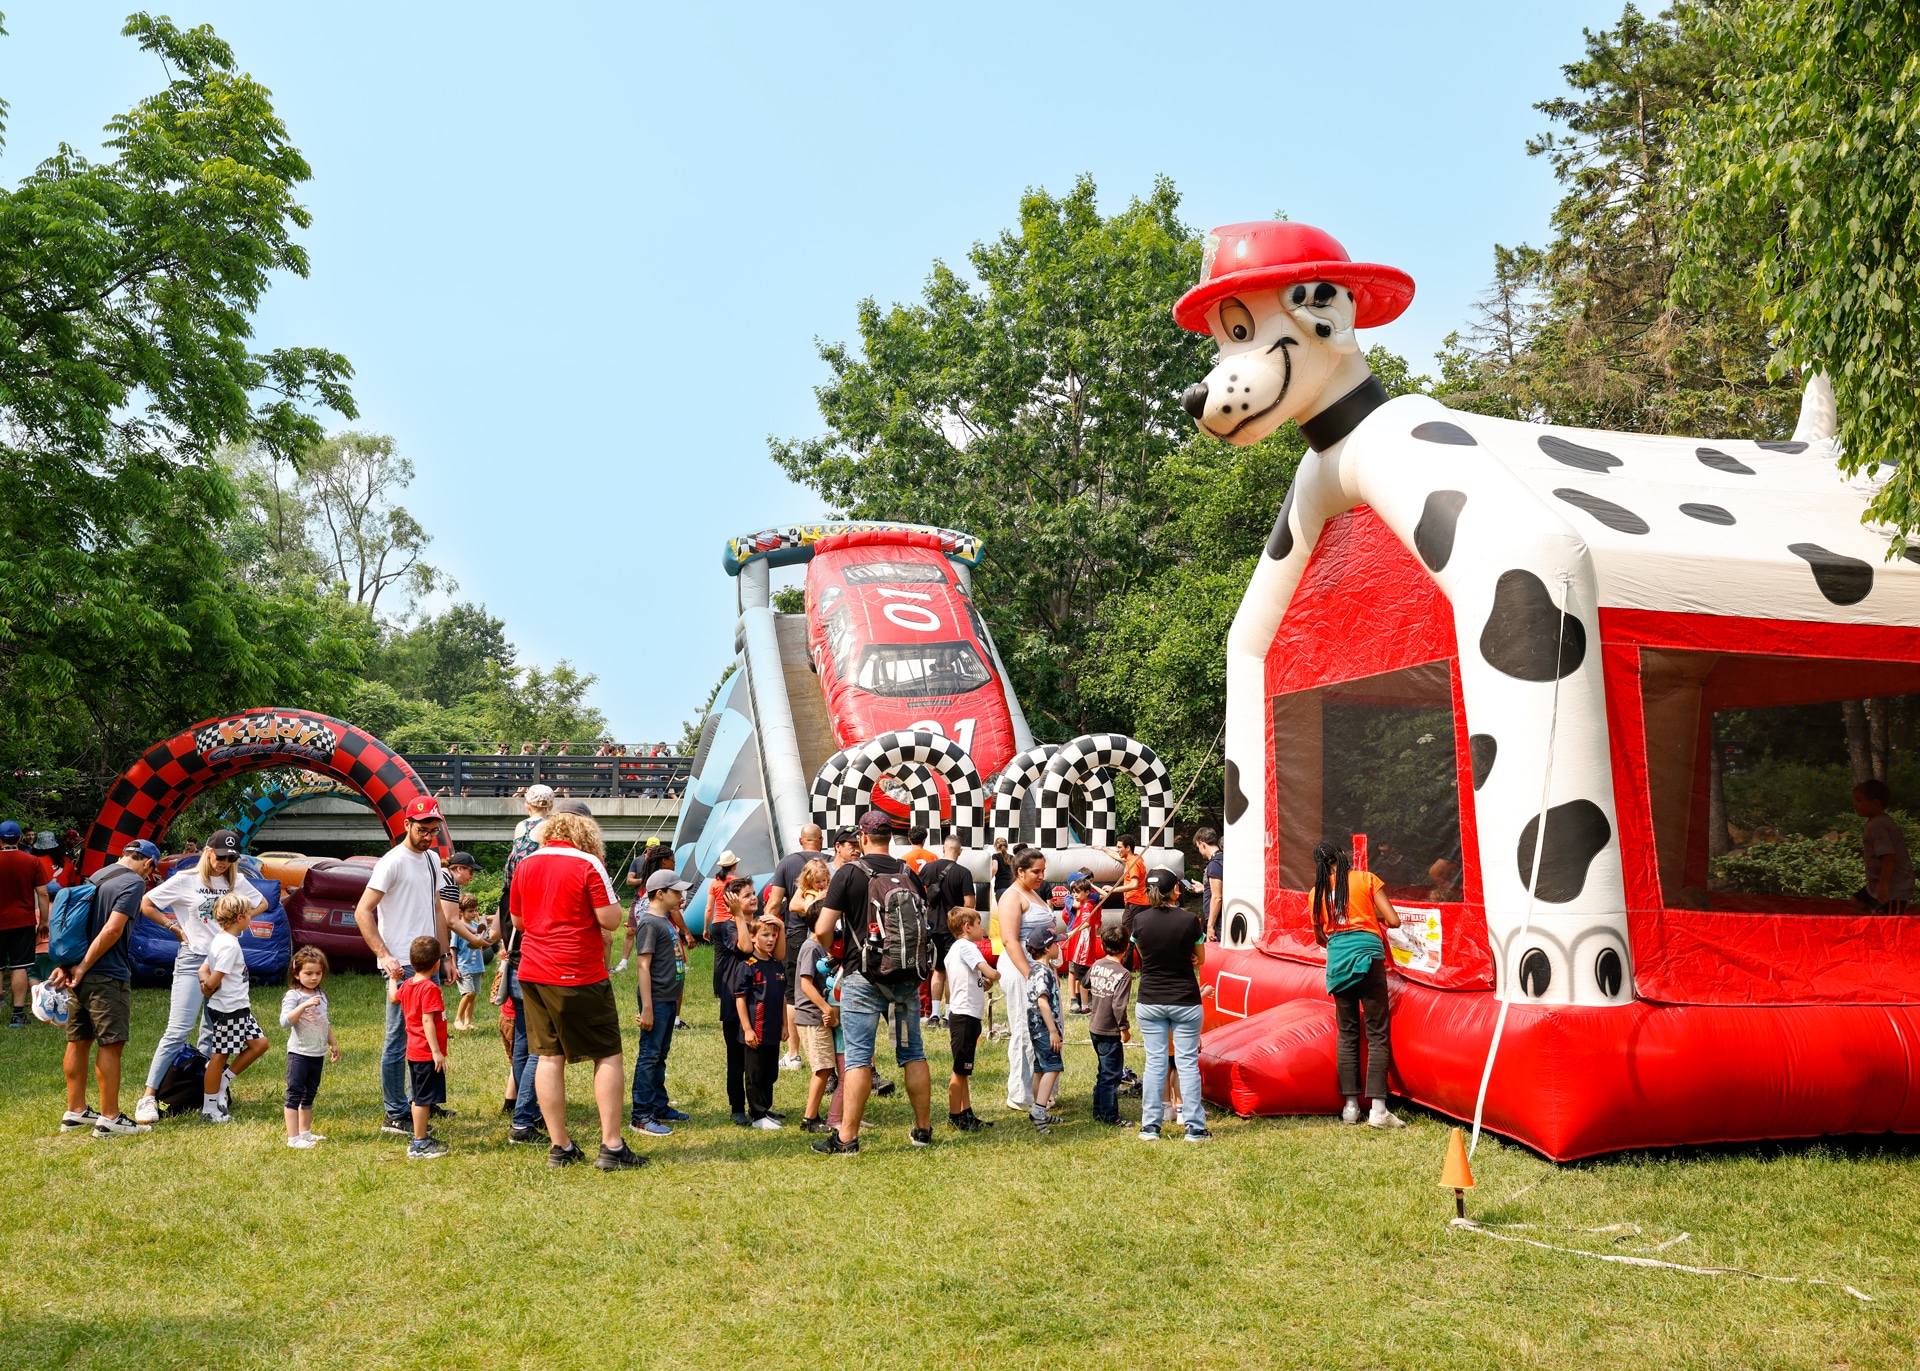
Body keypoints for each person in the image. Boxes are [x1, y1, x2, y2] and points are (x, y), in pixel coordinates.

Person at [510, 806, 646, 1170]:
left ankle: (561, 1147)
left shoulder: (526, 863)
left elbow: (519, 921)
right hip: (577, 972)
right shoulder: (588, 863)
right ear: (585, 833)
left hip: (533, 972)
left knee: (548, 1056)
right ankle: (612, 1147)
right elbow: (611, 920)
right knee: (607, 1054)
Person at [811, 810, 934, 1154]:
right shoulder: (907, 871)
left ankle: (847, 1138)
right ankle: (922, 1130)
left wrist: (834, 953)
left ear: (862, 838)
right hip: (906, 979)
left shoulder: (849, 873)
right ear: (891, 837)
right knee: (912, 1053)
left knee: (859, 1058)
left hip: (862, 980)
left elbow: (822, 929)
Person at [132, 830, 269, 1123]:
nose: (224, 863)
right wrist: (175, 929)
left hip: (227, 962)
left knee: (213, 1032)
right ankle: (147, 1097)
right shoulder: (185, 880)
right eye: (220, 857)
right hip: (193, 959)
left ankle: (205, 1093)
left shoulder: (236, 880)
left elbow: (263, 903)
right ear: (208, 851)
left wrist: (237, 922)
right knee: (178, 1030)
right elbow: (147, 904)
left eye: (231, 858)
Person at [353, 796, 458, 1136]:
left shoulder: (432, 859)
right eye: (422, 829)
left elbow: (439, 910)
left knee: (430, 1038)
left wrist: (446, 956)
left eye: (433, 830)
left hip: (430, 962)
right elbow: (362, 912)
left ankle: (421, 1102)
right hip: (402, 966)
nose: (428, 836)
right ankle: (394, 1112)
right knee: (399, 1040)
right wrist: (385, 956)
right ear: (406, 826)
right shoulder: (392, 862)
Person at [50, 839, 158, 1137]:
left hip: (77, 973)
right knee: (111, 1043)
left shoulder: (97, 876)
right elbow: (112, 928)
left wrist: (70, 965)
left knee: (78, 1040)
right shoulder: (133, 882)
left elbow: (74, 926)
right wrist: (85, 965)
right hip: (106, 973)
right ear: (148, 864)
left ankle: (76, 1111)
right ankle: (110, 1118)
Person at [1309, 839, 1405, 1128]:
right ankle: (1378, 1110)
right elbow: (1394, 920)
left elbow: (1319, 938)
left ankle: (1350, 1108)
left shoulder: (1317, 892)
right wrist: (1366, 917)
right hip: (1368, 959)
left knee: (1347, 1034)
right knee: (1377, 1033)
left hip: (1337, 962)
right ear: (1344, 857)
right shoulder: (1365, 879)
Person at [1133, 867, 1211, 1142]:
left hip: (1150, 999)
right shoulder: (1190, 919)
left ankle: (1150, 1127)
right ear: (1175, 890)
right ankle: (1195, 1127)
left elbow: (1143, 954)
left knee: (1154, 1063)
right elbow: (1199, 958)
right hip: (1185, 1000)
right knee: (1187, 1062)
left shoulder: (1140, 920)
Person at [198, 893, 271, 1124]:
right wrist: (207, 988)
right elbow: (213, 978)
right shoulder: (229, 945)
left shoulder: (221, 938)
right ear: (240, 917)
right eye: (249, 914)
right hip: (229, 1010)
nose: (251, 917)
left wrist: (205, 981)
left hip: (240, 1008)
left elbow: (204, 968)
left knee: (260, 1044)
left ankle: (222, 1083)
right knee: (219, 1057)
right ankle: (209, 1108)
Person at [628, 868, 691, 1135]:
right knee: (649, 1056)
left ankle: (658, 1105)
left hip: (666, 999)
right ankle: (641, 1115)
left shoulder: (665, 920)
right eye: (676, 891)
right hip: (656, 1001)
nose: (680, 895)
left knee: (659, 1055)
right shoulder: (649, 923)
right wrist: (648, 1007)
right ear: (660, 894)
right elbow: (643, 966)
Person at [762, 824, 826, 1065]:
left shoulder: (787, 863)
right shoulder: (829, 862)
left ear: (801, 841)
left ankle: (794, 1053)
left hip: (796, 935)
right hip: (825, 934)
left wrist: (766, 931)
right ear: (820, 840)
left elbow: (775, 902)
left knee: (793, 993)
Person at [994, 849, 1050, 1117]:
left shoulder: (1033, 892)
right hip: (1020, 968)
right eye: (1036, 872)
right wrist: (1029, 974)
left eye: (1043, 871)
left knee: (1045, 1027)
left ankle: (1041, 1090)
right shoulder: (1011, 896)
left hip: (1040, 967)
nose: (1041, 876)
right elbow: (1009, 940)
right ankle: (1020, 1093)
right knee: (1025, 1027)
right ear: (1020, 871)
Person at [711, 875, 769, 1126]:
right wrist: (737, 915)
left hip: (759, 997)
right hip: (734, 999)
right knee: (737, 1059)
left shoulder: (759, 922)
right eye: (746, 895)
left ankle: (761, 1107)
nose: (754, 897)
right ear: (732, 902)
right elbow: (745, 947)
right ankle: (737, 1107)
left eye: (753, 893)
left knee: (758, 1059)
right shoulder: (728, 926)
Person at [943, 907, 1000, 1132]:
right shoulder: (968, 947)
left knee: (964, 1069)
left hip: (963, 1014)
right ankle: (954, 1116)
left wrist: (982, 982)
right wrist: (999, 971)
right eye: (978, 923)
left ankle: (966, 1113)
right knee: (960, 1070)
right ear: (967, 928)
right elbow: (991, 972)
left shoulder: (955, 949)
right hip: (965, 1016)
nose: (982, 927)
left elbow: (970, 978)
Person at [729, 915, 787, 1130]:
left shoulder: (777, 965)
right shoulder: (748, 966)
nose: (770, 939)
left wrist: (785, 1025)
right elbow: (740, 999)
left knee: (770, 1072)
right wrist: (747, 1029)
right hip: (756, 1030)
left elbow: (782, 997)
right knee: (754, 1073)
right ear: (752, 938)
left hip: (773, 1029)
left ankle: (765, 1107)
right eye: (765, 935)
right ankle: (757, 1114)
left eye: (773, 935)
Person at [397, 935, 451, 1160]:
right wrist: (436, 1052)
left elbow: (393, 997)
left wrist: (393, 978)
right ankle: (419, 1143)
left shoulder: (408, 984)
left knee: (420, 1096)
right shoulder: (429, 988)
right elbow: (428, 1020)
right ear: (437, 963)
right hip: (425, 1053)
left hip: (414, 1050)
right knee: (422, 1098)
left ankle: (420, 1137)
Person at [280, 947, 339, 1149]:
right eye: (308, 973)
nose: (314, 977)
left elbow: (325, 1021)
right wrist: (304, 1005)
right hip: (299, 1053)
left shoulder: (320, 994)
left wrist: (332, 1042)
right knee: (294, 1094)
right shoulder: (293, 996)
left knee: (309, 1093)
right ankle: (293, 1138)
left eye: (318, 973)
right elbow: (285, 1021)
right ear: (296, 973)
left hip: (317, 1052)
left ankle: (305, 1132)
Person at [917, 836, 976, 1030]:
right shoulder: (963, 873)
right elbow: (969, 903)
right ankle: (950, 1014)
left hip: (933, 927)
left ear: (943, 848)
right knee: (952, 972)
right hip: (955, 930)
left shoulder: (928, 869)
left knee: (937, 971)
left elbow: (918, 894)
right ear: (959, 851)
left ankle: (934, 1013)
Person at [779, 857, 831, 1066]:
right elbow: (803, 906)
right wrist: (821, 897)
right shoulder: (811, 893)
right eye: (817, 881)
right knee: (804, 985)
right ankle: (795, 1051)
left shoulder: (822, 888)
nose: (822, 884)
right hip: (814, 940)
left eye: (823, 880)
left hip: (824, 942)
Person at [0, 820, 50, 1027]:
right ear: (20, 838)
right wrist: (44, 921)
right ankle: (17, 1015)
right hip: (22, 921)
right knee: (20, 966)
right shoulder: (32, 861)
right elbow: (43, 893)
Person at [792, 910, 838, 1133]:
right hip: (811, 1017)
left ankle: (813, 1115)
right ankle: (809, 1119)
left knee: (826, 1066)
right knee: (823, 1068)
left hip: (819, 1015)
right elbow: (806, 984)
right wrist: (826, 1008)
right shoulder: (811, 948)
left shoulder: (823, 946)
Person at [1087, 923, 1133, 1126]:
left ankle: (1098, 1110)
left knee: (1103, 1071)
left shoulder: (1097, 964)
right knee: (1112, 1075)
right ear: (1126, 947)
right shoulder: (1123, 974)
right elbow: (1118, 1005)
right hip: (1109, 1030)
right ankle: (1109, 1115)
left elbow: (1085, 982)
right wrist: (1124, 1028)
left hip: (1094, 1027)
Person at [1025, 929, 1065, 1133]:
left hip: (1036, 1027)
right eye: (1056, 943)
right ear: (1048, 948)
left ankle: (1040, 1106)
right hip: (1043, 1027)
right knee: (1053, 1066)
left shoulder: (1036, 969)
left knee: (1040, 1068)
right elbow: (1042, 1001)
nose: (1059, 946)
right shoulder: (1042, 972)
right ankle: (1039, 1112)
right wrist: (1052, 1031)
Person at [1854, 779, 1913, 914]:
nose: (1855, 805)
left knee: (1889, 923)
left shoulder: (1878, 825)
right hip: (1875, 884)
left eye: (1860, 801)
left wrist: (1884, 885)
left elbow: (1889, 856)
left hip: (1893, 887)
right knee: (1857, 903)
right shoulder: (1875, 822)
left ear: (1875, 803)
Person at [1063, 876, 1101, 1013]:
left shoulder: (1087, 906)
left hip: (1082, 950)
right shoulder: (1081, 905)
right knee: (1079, 977)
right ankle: (1081, 1005)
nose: (1075, 895)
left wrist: (1071, 932)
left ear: (1087, 892)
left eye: (1078, 892)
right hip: (1078, 948)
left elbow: (1086, 923)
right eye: (1073, 892)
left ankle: (1084, 1006)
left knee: (1084, 979)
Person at [451, 893, 489, 1030]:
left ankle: (468, 1022)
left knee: (473, 996)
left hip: (477, 967)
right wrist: (454, 967)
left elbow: (480, 948)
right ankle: (457, 1019)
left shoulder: (476, 926)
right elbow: (453, 949)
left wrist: (482, 965)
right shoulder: (458, 928)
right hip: (464, 966)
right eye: (470, 911)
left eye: (475, 910)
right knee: (469, 993)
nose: (474, 913)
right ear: (461, 912)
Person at [1100, 834, 1148, 910]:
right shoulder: (1131, 859)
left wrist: (1113, 889)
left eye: (1119, 847)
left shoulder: (1133, 863)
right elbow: (1117, 856)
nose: (1117, 850)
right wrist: (1103, 848)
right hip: (1136, 902)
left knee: (1127, 922)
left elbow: (1134, 884)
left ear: (1128, 848)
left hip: (1136, 902)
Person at [1195, 828, 1224, 941]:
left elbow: (1217, 897)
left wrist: (1210, 926)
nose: (1199, 851)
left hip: (1217, 921)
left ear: (1202, 844)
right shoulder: (1223, 859)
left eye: (1198, 847)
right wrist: (1204, 888)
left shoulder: (1215, 864)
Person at [703, 850, 740, 940]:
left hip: (718, 923)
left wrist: (705, 928)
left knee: (719, 954)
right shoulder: (739, 882)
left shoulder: (714, 883)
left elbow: (709, 908)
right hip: (734, 922)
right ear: (735, 866)